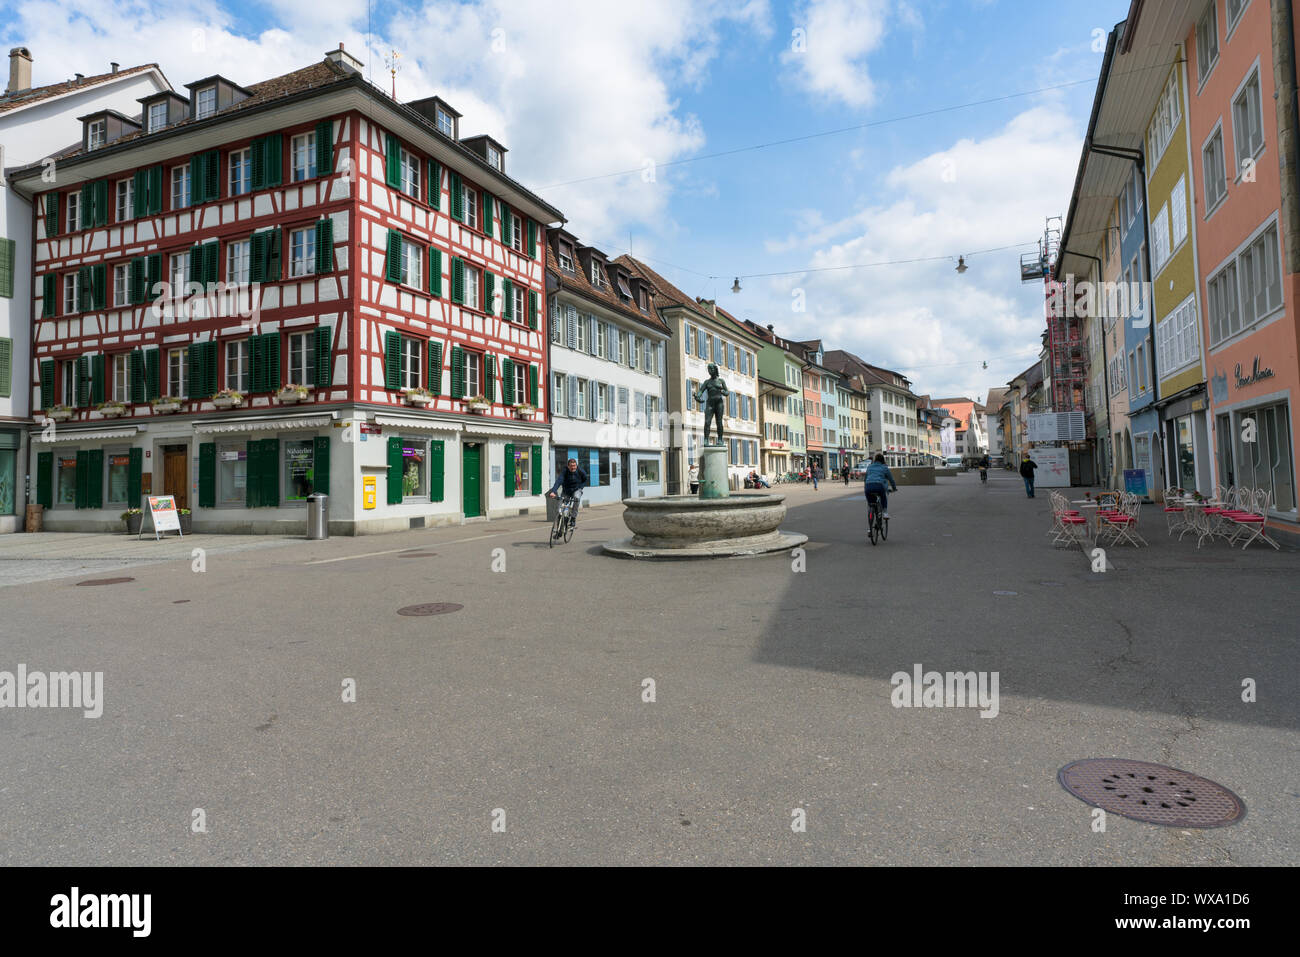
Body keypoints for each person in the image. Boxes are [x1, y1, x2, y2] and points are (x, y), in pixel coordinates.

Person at [547, 458, 589, 522]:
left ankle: (573, 517)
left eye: (574, 466)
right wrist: (553, 491)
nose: (573, 467)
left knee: (576, 498)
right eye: (571, 466)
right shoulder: (565, 471)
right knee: (561, 508)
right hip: (566, 491)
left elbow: (585, 480)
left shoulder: (580, 471)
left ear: (576, 466)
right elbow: (559, 481)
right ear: (568, 466)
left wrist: (580, 487)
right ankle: (561, 522)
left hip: (576, 490)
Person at [864, 453, 899, 519]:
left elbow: (865, 479)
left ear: (875, 460)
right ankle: (885, 513)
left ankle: (871, 517)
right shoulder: (884, 467)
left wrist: (865, 488)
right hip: (879, 486)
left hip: (868, 487)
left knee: (871, 503)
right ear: (883, 460)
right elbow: (891, 479)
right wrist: (894, 488)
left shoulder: (869, 467)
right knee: (883, 496)